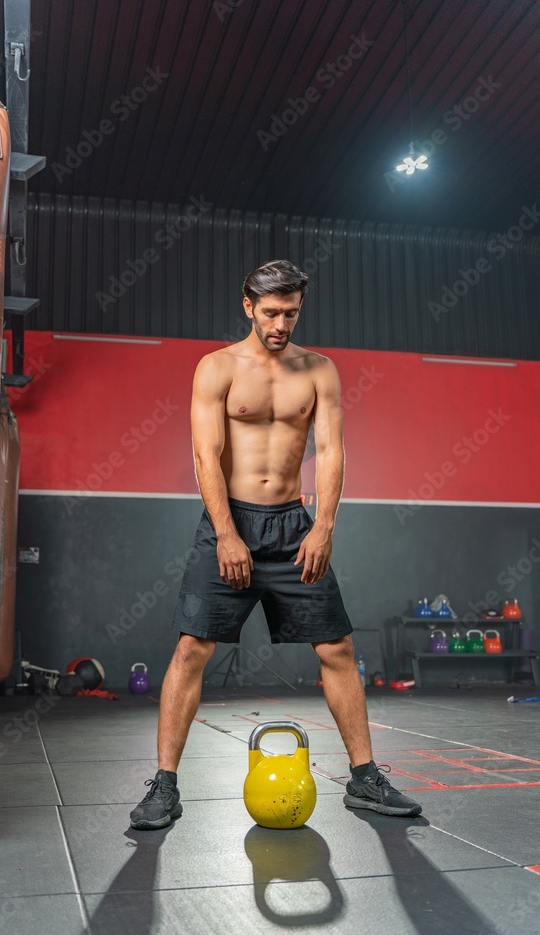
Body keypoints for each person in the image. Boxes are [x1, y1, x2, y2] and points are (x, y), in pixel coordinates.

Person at [130, 260, 421, 830]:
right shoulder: (216, 368)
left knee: (336, 649)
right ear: (248, 307)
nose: (281, 323)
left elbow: (332, 451)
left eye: (290, 312)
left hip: (294, 524)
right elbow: (204, 455)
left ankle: (365, 780)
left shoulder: (319, 371)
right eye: (271, 312)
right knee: (193, 650)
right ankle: (164, 786)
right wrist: (227, 533)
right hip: (229, 522)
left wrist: (323, 525)